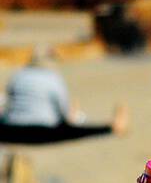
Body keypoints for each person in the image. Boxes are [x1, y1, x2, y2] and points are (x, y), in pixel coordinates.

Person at [0, 45, 128, 144]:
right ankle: (112, 127)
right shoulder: (53, 78)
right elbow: (66, 115)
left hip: (12, 129)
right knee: (74, 127)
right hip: (43, 131)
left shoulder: (17, 76)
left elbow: (6, 105)